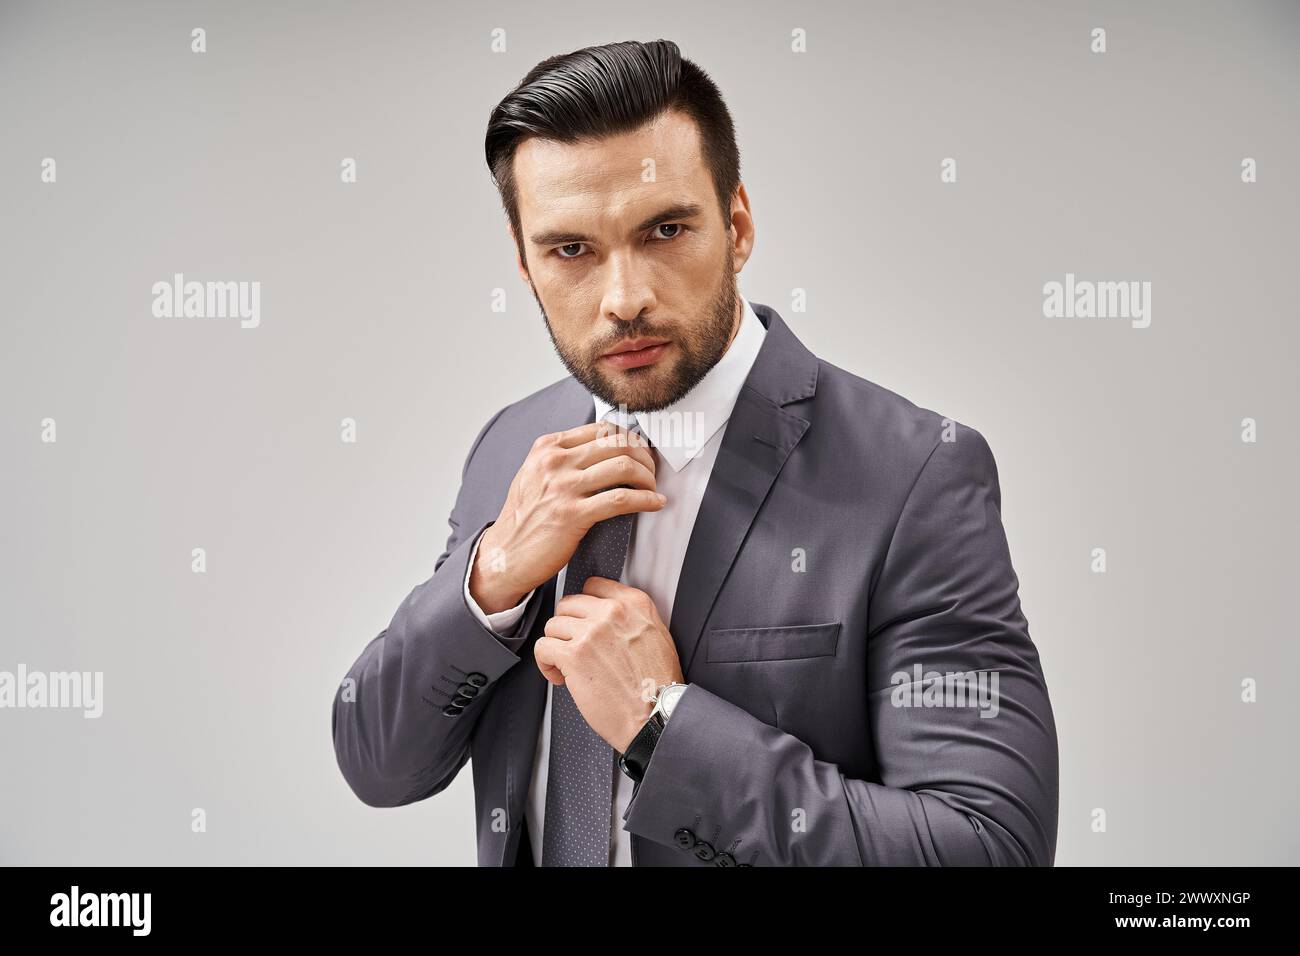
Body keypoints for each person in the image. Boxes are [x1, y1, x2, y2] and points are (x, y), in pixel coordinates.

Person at [332, 38, 1059, 867]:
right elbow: (377, 763)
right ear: (525, 264)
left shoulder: (914, 475)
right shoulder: (511, 446)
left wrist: (662, 721)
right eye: (571, 250)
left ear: (738, 224)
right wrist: (491, 577)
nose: (624, 299)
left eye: (666, 229)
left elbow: (990, 849)